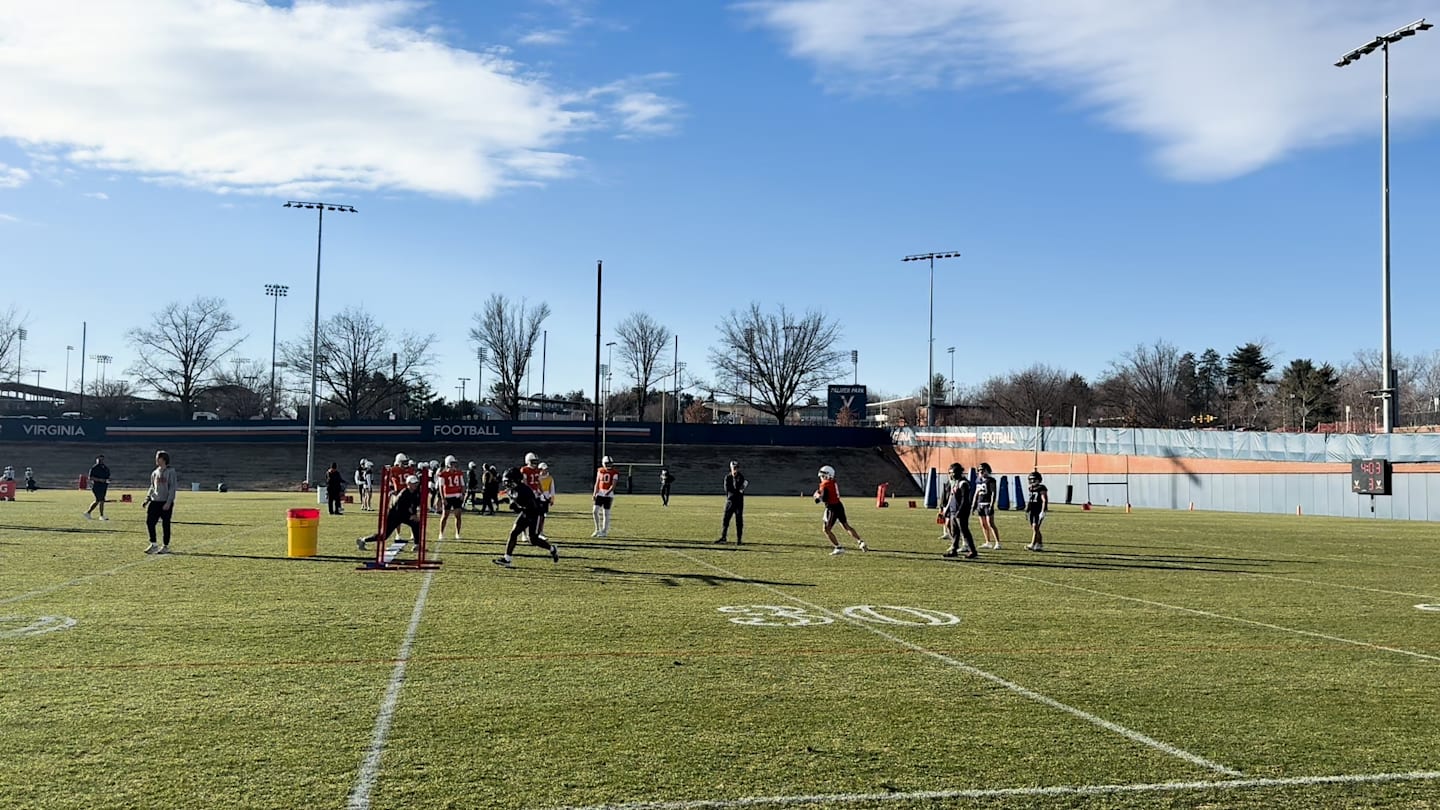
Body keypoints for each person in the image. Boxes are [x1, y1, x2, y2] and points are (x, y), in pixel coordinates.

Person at [493, 467, 558, 568]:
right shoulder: (512, 489)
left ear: (516, 480)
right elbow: (513, 499)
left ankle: (552, 548)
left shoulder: (524, 490)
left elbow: (531, 507)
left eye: (509, 481)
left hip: (533, 513)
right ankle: (507, 559)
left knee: (533, 540)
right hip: (525, 512)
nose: (507, 484)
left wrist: (516, 507)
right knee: (513, 533)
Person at [356, 473, 424, 552]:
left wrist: (414, 515)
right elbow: (400, 509)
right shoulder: (403, 494)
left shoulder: (416, 493)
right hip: (394, 516)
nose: (416, 485)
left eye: (416, 483)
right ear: (408, 484)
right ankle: (363, 540)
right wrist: (412, 515)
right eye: (414, 483)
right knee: (383, 536)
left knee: (416, 524)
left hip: (405, 515)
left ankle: (417, 545)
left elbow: (415, 505)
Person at [814, 464, 866, 555]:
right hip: (839, 505)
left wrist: (817, 497)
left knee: (826, 529)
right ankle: (860, 542)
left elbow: (824, 499)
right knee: (846, 526)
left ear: (827, 475)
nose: (821, 477)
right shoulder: (833, 482)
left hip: (832, 508)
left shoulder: (825, 484)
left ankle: (838, 547)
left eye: (823, 476)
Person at [144, 450, 178, 554]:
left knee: (165, 524)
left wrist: (169, 502)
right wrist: (147, 498)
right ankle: (153, 544)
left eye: (158, 458)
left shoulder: (171, 472)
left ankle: (165, 546)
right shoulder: (155, 472)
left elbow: (172, 488)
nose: (156, 460)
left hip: (165, 502)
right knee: (150, 522)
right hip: (155, 501)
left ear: (163, 459)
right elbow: (152, 487)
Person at [941, 463, 978, 559]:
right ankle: (954, 549)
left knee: (964, 531)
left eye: (952, 472)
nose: (950, 475)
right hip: (953, 510)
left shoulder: (963, 483)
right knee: (955, 532)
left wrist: (959, 511)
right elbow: (951, 497)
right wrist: (947, 510)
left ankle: (972, 551)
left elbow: (965, 500)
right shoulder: (955, 482)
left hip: (961, 512)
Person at [715, 460, 746, 544]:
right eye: (733, 468)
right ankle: (723, 537)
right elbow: (728, 490)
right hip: (730, 502)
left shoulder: (741, 477)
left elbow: (741, 490)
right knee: (726, 520)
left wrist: (736, 483)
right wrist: (736, 491)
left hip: (739, 502)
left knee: (739, 521)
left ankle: (739, 539)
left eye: (736, 468)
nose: (735, 470)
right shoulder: (727, 477)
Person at [437, 455, 467, 540]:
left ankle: (457, 533)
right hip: (448, 497)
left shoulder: (459, 473)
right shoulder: (443, 474)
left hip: (457, 496)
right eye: (452, 463)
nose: (454, 465)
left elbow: (462, 484)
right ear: (448, 464)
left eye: (454, 463)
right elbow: (441, 487)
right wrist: (443, 499)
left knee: (458, 516)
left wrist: (462, 494)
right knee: (445, 516)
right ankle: (441, 533)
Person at [974, 462, 1002, 550]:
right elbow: (976, 493)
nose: (981, 472)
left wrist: (992, 504)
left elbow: (993, 493)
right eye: (979, 470)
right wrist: (973, 505)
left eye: (983, 470)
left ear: (987, 470)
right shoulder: (978, 480)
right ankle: (987, 542)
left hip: (987, 503)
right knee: (983, 524)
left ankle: (997, 542)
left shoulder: (991, 480)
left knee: (990, 523)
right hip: (980, 503)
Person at [591, 454, 619, 538]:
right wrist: (595, 493)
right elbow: (597, 483)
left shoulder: (614, 473)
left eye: (610, 463)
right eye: (607, 463)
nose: (608, 465)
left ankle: (604, 531)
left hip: (608, 495)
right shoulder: (600, 471)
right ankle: (597, 529)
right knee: (595, 511)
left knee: (606, 513)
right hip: (600, 493)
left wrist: (608, 492)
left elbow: (613, 485)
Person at [1025, 470, 1049, 551]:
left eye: (1034, 479)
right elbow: (1030, 500)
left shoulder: (1041, 488)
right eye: (1031, 479)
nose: (1032, 481)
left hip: (1038, 510)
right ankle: (1039, 544)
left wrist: (1043, 511)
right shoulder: (1030, 488)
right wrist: (1027, 510)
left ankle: (1032, 544)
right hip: (1032, 510)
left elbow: (1044, 500)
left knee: (1035, 527)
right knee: (1035, 528)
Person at [84, 454, 111, 520]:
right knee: (100, 500)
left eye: (102, 459)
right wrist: (100, 480)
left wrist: (107, 480)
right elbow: (90, 477)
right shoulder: (94, 468)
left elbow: (107, 476)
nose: (100, 461)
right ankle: (101, 515)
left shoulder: (105, 468)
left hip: (103, 486)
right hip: (96, 486)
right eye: (99, 459)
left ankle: (88, 513)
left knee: (99, 500)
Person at [535, 462, 556, 541]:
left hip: (546, 499)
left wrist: (552, 499)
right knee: (538, 516)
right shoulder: (537, 478)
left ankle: (541, 531)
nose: (545, 471)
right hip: (538, 498)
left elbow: (552, 489)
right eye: (544, 469)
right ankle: (537, 532)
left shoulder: (550, 478)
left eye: (546, 469)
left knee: (543, 516)